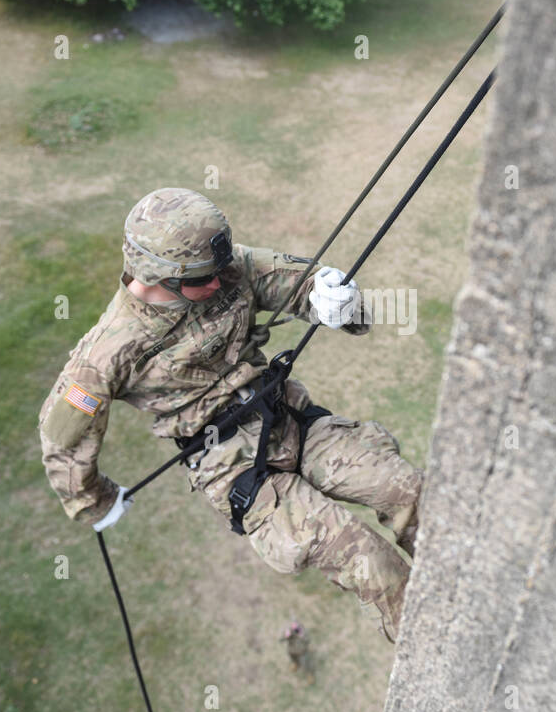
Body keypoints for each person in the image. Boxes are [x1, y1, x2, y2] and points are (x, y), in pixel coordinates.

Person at [38, 187, 423, 641]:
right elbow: (62, 437)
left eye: (220, 271)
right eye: (203, 280)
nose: (220, 284)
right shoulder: (108, 351)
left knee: (409, 492)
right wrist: (95, 502)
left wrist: (338, 303)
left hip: (289, 419)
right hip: (233, 469)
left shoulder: (227, 268)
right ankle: (436, 653)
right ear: (157, 276)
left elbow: (305, 285)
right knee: (373, 566)